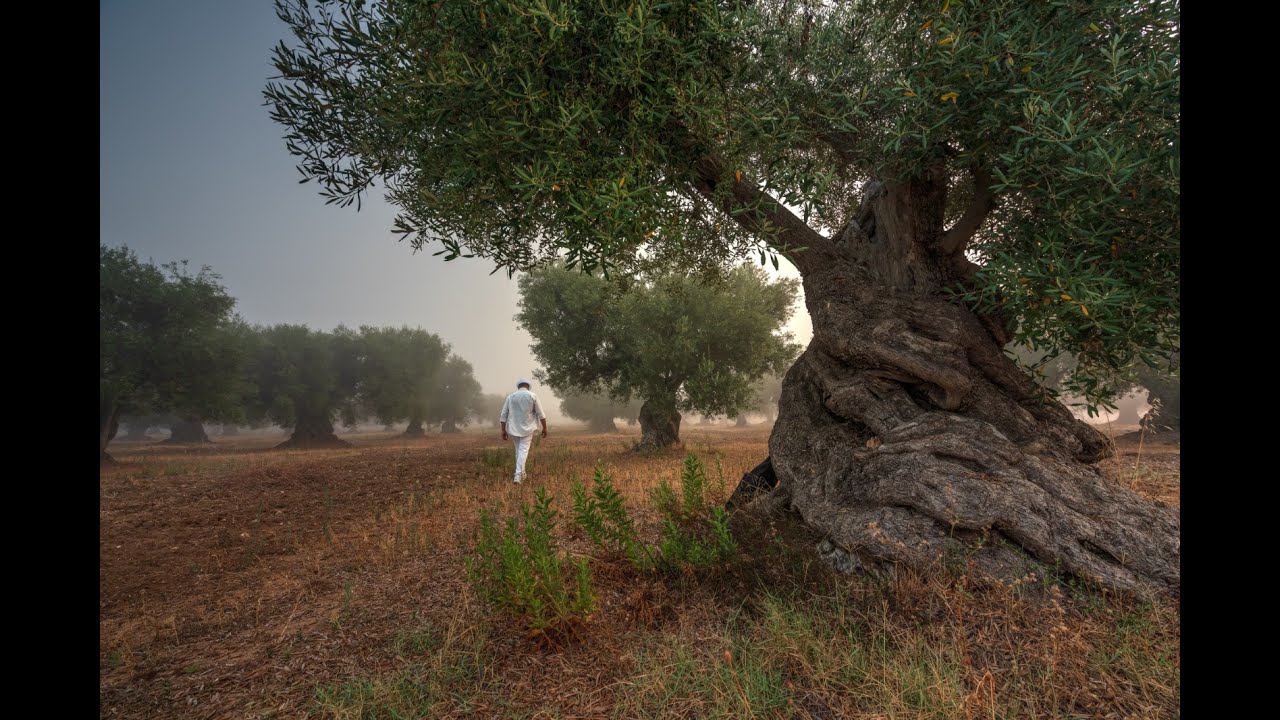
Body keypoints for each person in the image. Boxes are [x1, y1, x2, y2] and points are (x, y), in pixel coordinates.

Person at [499, 378, 548, 484]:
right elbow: (541, 414)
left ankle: (523, 473)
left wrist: (503, 430)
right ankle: (518, 475)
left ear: (518, 386)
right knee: (523, 450)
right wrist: (545, 428)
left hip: (513, 428)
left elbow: (503, 415)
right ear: (528, 386)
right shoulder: (532, 396)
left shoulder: (510, 397)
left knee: (519, 451)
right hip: (527, 427)